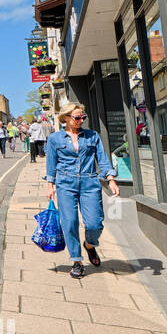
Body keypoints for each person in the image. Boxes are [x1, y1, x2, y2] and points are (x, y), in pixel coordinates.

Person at [45, 102, 120, 279]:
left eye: (82, 117)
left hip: (89, 182)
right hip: (65, 183)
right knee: (69, 222)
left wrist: (111, 180)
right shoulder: (55, 139)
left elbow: (102, 159)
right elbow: (51, 164)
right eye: (77, 117)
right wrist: (50, 186)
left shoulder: (92, 136)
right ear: (65, 118)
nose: (80, 120)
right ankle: (77, 261)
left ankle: (90, 244)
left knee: (94, 223)